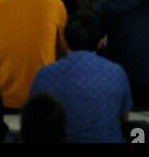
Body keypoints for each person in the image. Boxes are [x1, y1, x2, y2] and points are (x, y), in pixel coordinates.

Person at [29, 12, 132, 144]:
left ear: (65, 42)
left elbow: (32, 123)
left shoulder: (44, 75)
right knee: (140, 130)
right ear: (100, 42)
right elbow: (124, 118)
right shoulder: (117, 73)